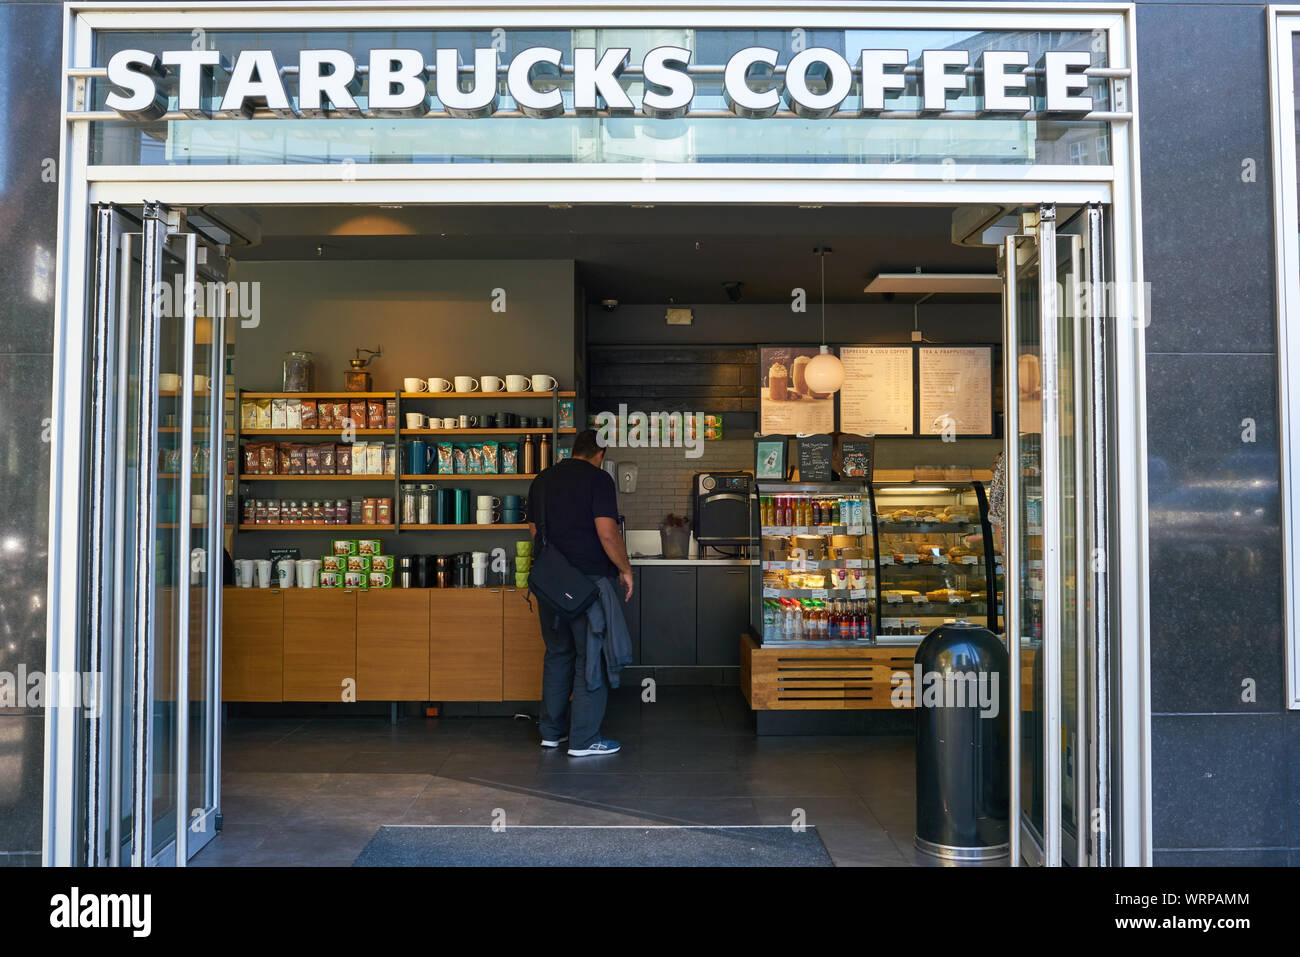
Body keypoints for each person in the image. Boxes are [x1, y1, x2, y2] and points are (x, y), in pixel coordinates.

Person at [527, 429, 634, 757]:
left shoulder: (542, 479)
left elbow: (533, 531)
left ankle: (551, 732)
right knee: (591, 659)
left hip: (550, 584)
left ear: (573, 449)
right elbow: (608, 533)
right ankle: (584, 740)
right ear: (600, 453)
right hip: (586, 586)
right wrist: (625, 569)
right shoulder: (598, 480)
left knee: (557, 654)